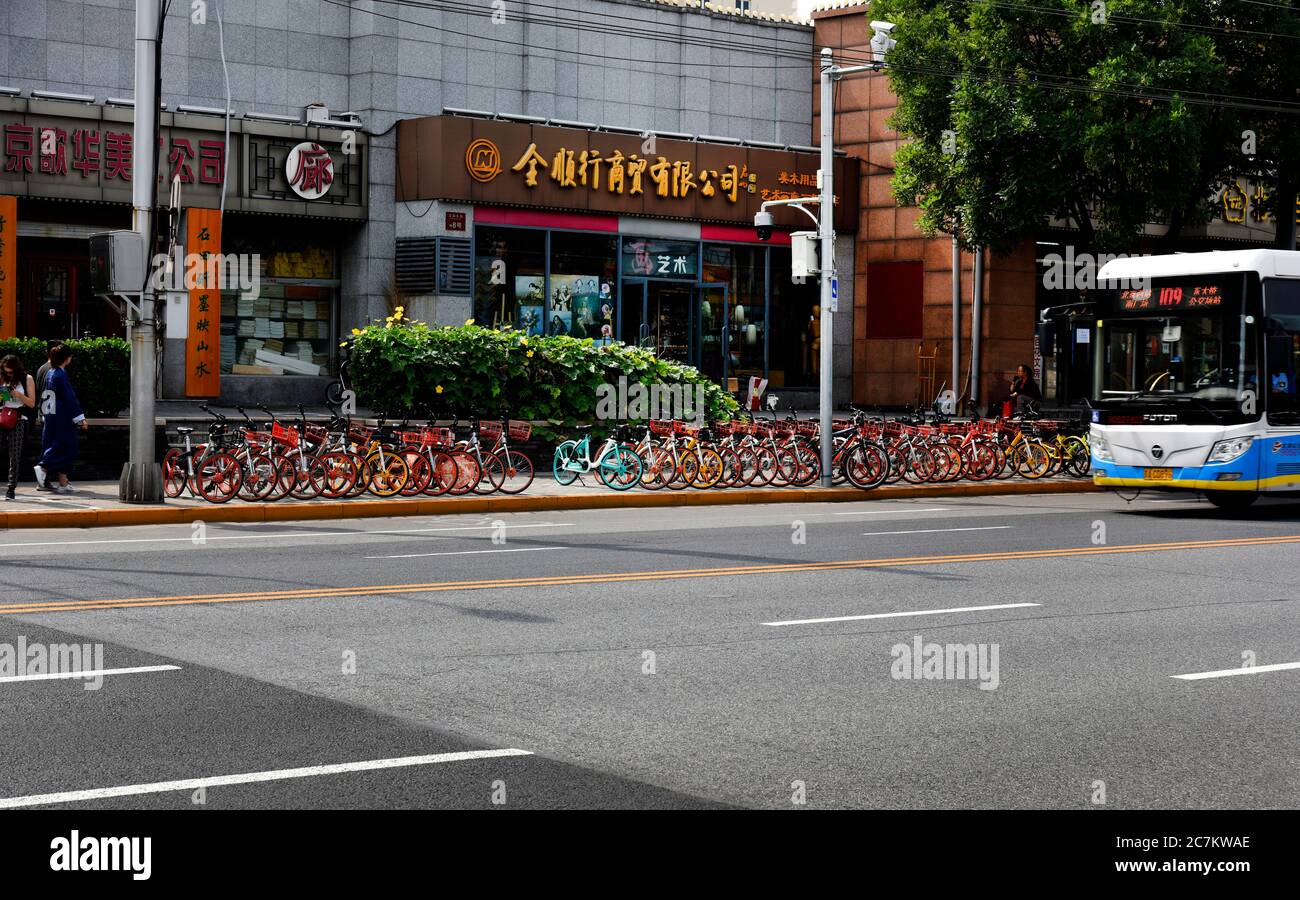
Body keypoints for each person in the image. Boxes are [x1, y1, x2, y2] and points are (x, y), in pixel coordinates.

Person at [33, 343, 87, 495]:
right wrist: (80, 418)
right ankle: (43, 466)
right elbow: (69, 398)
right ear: (67, 358)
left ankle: (63, 482)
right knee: (68, 446)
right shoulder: (60, 375)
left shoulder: (50, 372)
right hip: (61, 416)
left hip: (49, 414)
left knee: (57, 444)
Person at [0, 355, 37, 500]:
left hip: (19, 419)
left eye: (11, 372)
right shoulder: (2, 377)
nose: (9, 374)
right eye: (6, 372)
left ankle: (11, 488)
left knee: (14, 455)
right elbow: (3, 401)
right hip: (3, 416)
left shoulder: (27, 378)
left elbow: (32, 403)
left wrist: (18, 395)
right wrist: (4, 395)